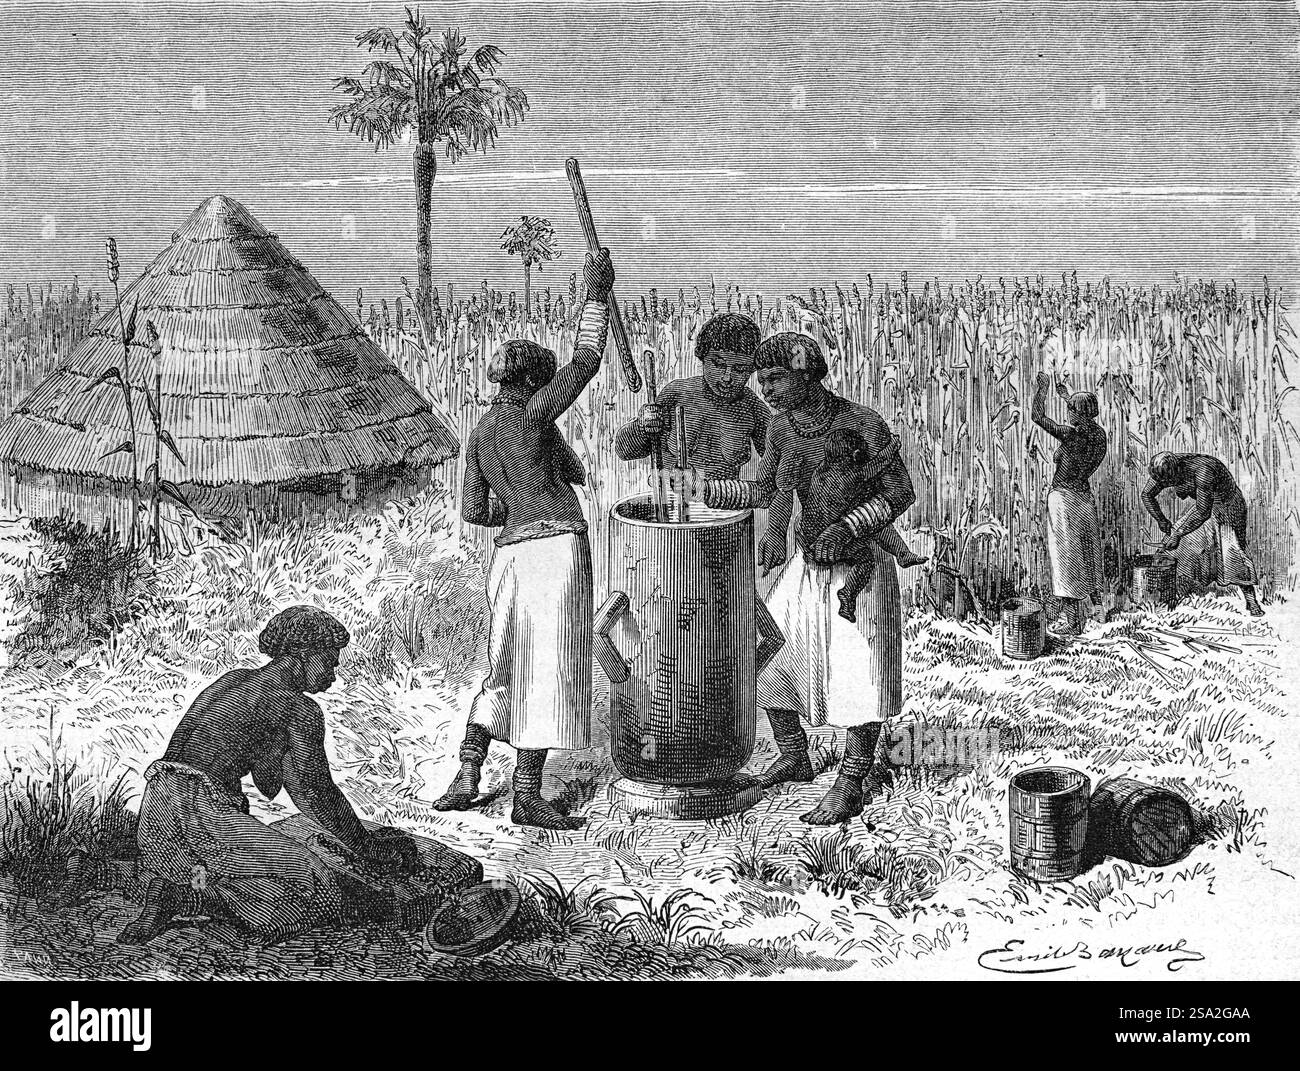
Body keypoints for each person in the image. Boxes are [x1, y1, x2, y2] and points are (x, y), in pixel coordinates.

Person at [432, 249, 616, 830]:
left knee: (502, 666)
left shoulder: (482, 431)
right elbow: (586, 359)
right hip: (555, 550)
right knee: (549, 669)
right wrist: (596, 294)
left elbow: (477, 512)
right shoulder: (535, 413)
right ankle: (528, 796)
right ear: (535, 381)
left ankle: (468, 772)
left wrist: (527, 478)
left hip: (508, 556)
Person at [699, 332, 916, 824]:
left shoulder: (860, 424)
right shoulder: (780, 428)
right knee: (772, 656)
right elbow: (772, 488)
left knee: (859, 669)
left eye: (774, 378)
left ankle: (853, 777)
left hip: (861, 563)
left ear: (805, 373)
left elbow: (900, 493)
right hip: (808, 561)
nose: (765, 390)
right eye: (760, 380)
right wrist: (723, 493)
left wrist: (849, 526)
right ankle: (795, 754)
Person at [118, 606, 424, 946]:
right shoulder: (299, 709)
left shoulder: (232, 680)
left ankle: (171, 886)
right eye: (331, 661)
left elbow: (265, 776)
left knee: (252, 868)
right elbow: (313, 794)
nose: (333, 675)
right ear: (304, 655)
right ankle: (187, 899)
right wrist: (368, 847)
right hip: (203, 814)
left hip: (158, 814)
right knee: (318, 891)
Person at [614, 311, 769, 481]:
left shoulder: (753, 408)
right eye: (718, 364)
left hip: (722, 504)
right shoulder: (677, 394)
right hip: (671, 501)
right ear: (703, 357)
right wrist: (642, 427)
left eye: (739, 369)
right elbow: (623, 451)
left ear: (752, 368)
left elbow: (778, 458)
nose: (727, 378)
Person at [801, 427, 928, 623]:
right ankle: (848, 595)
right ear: (855, 455)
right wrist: (892, 447)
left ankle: (902, 553)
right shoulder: (853, 475)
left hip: (810, 538)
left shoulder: (820, 473)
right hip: (828, 547)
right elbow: (879, 463)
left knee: (871, 524)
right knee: (865, 558)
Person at [1141, 451, 1264, 616]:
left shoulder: (1203, 470)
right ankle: (1169, 600)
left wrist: (1178, 533)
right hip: (1205, 506)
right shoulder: (1163, 469)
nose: (1167, 485)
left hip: (1226, 506)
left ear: (1176, 471)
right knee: (1171, 549)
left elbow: (1202, 512)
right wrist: (1161, 520)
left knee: (1232, 553)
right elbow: (1147, 494)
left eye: (1169, 481)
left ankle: (1251, 601)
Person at [1031, 373, 1108, 635]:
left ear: (1079, 414)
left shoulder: (1071, 436)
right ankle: (1098, 610)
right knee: (1089, 553)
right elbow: (1083, 421)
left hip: (1064, 499)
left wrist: (1042, 391)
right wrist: (1068, 397)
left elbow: (1038, 418)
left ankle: (1073, 622)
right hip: (1084, 499)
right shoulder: (1099, 436)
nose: (1067, 414)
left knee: (1067, 559)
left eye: (1070, 410)